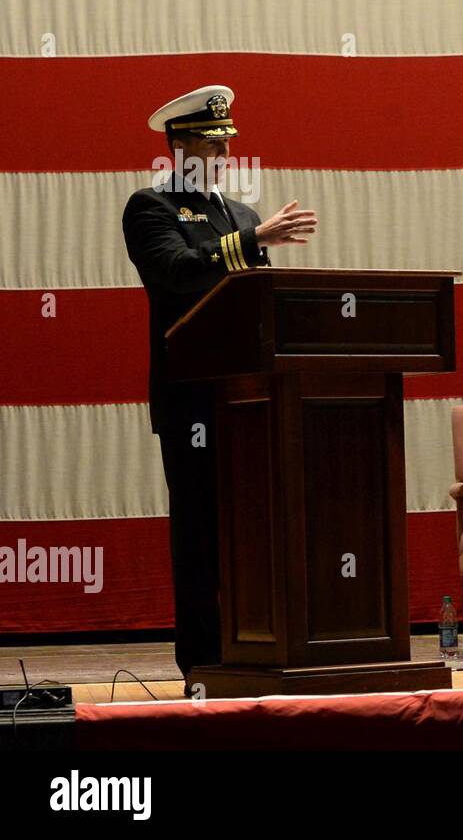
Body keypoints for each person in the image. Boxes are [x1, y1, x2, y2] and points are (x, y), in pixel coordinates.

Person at [122, 85, 318, 687]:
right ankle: (203, 662)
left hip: (249, 402)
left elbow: (252, 305)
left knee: (256, 530)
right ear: (178, 145)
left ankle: (259, 650)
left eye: (227, 141)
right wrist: (252, 244)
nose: (224, 151)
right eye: (211, 142)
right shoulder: (149, 207)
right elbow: (177, 275)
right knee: (201, 533)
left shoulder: (242, 214)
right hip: (192, 402)